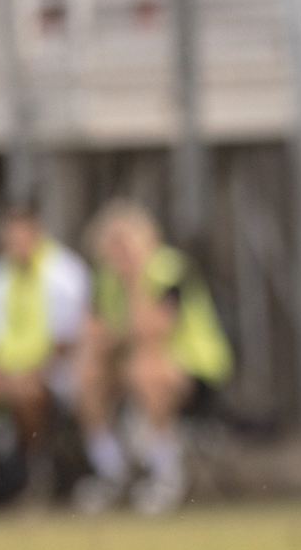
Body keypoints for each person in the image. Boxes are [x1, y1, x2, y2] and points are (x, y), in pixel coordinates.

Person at [73, 200, 232, 514]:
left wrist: (132, 287)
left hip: (196, 371)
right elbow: (90, 334)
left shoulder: (171, 269)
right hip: (132, 367)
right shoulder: (104, 279)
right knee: (89, 375)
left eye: (126, 246)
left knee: (146, 368)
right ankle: (111, 471)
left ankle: (166, 474)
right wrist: (115, 336)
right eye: (112, 247)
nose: (119, 256)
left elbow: (153, 329)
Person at [0, 205, 90, 501]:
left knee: (27, 393)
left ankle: (35, 472)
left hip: (55, 372)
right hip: (7, 372)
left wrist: (29, 373)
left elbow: (69, 342)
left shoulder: (63, 272)